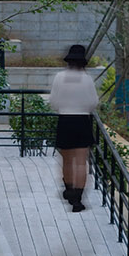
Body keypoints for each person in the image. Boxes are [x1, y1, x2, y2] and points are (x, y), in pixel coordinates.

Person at [49, 43, 99, 212]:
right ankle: (78, 198)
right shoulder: (87, 78)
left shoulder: (59, 77)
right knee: (81, 162)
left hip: (65, 120)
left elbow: (53, 102)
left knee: (67, 160)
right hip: (82, 121)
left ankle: (68, 189)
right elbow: (94, 102)